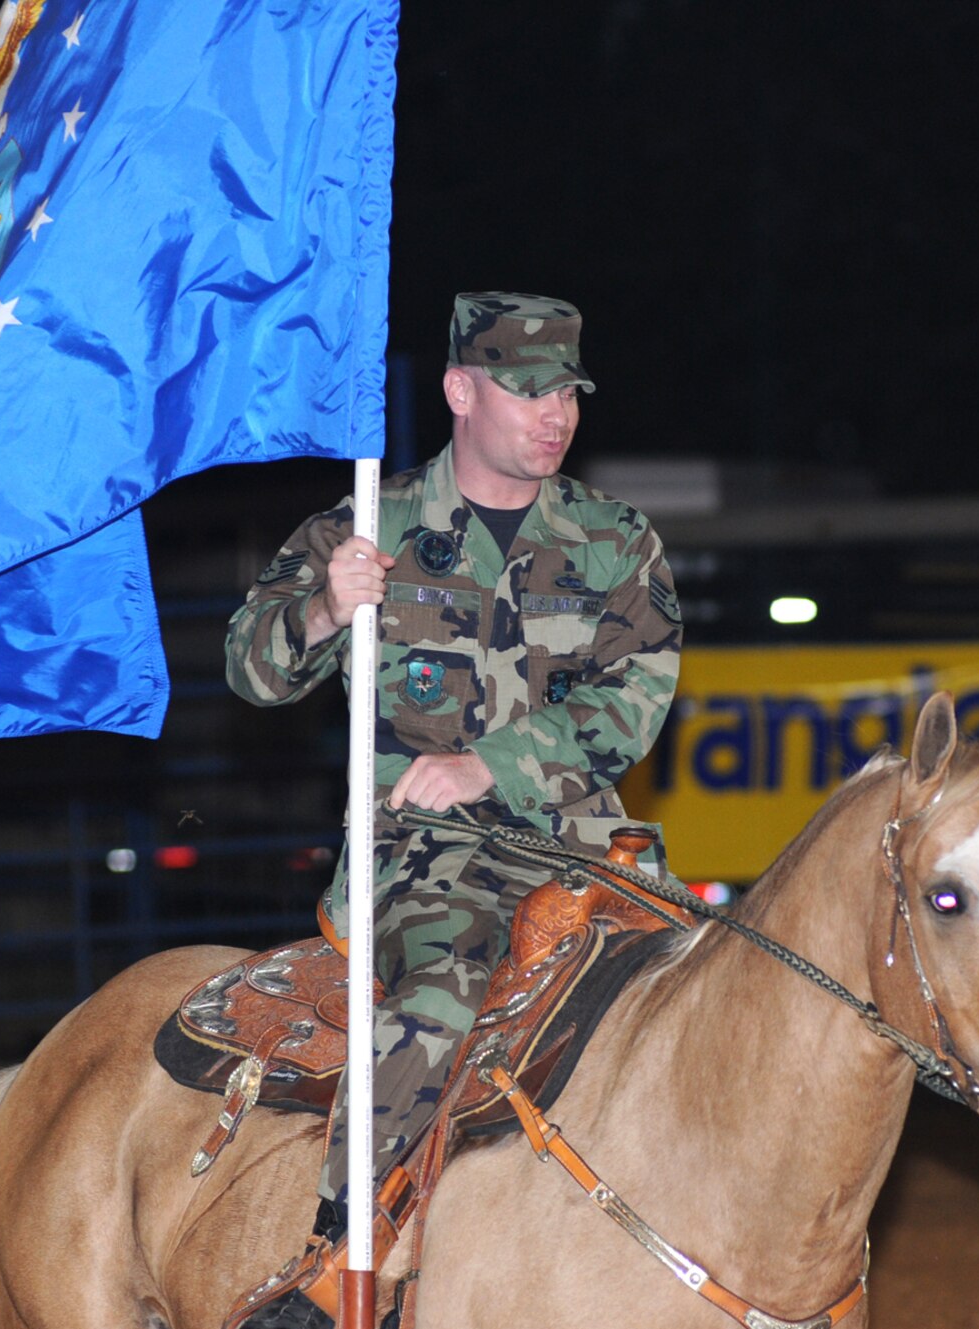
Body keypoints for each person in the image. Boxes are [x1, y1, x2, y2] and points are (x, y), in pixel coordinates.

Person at [223, 292, 682, 1328]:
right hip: (423, 861)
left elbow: (633, 703)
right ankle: (340, 1256)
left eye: (567, 390)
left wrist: (493, 764)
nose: (554, 412)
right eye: (527, 389)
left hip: (585, 851)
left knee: (717, 994)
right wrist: (323, 609)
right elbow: (249, 671)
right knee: (437, 993)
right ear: (459, 391)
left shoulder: (615, 541)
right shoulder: (365, 527)